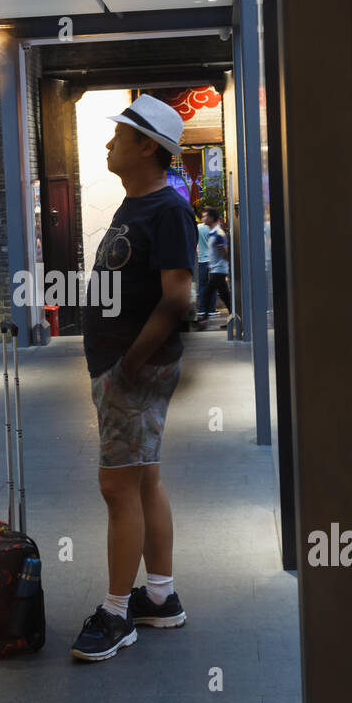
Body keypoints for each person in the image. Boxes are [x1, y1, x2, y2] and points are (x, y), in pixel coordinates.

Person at [71, 94, 198, 662]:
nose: (108, 144)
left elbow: (177, 298)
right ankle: (159, 598)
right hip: (122, 366)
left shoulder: (167, 209)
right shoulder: (135, 204)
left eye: (119, 136)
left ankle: (117, 613)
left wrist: (128, 367)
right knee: (143, 479)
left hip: (135, 371)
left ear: (147, 146)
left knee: (116, 486)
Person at [198, 207, 231, 327]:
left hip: (219, 270)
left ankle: (204, 320)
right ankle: (205, 319)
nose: (203, 219)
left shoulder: (218, 233)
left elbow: (226, 251)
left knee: (220, 295)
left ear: (211, 218)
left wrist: (227, 266)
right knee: (220, 295)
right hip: (215, 270)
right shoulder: (213, 232)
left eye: (205, 216)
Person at [196, 209, 212, 322]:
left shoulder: (198, 228)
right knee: (212, 286)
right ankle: (211, 309)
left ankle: (202, 309)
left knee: (202, 285)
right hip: (211, 260)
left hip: (202, 260)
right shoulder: (212, 228)